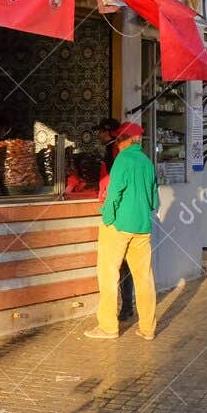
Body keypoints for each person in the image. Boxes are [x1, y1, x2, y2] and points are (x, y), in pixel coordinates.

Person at [86, 122, 159, 340]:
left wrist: (107, 218)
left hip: (118, 226)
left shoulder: (122, 160)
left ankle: (108, 327)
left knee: (108, 275)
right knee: (144, 279)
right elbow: (154, 200)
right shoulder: (147, 162)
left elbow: (114, 194)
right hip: (142, 228)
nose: (116, 143)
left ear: (126, 139)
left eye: (118, 139)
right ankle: (148, 329)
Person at [94, 117, 135, 322]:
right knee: (129, 265)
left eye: (100, 131)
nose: (99, 135)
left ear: (109, 132)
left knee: (115, 265)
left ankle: (122, 309)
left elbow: (114, 185)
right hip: (135, 219)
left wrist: (108, 215)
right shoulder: (138, 159)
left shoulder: (115, 152)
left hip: (118, 216)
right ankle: (129, 306)